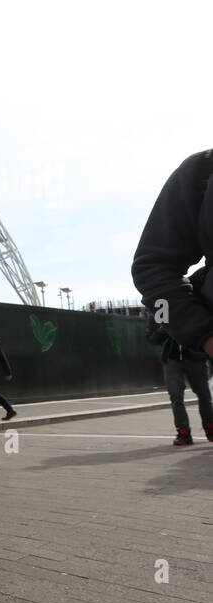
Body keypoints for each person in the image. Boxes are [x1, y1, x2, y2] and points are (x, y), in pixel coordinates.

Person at [132, 150, 213, 360]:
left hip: (194, 361)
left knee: (200, 392)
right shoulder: (202, 170)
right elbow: (150, 270)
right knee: (177, 394)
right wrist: (200, 335)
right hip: (176, 359)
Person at [146, 311, 213, 445]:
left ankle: (210, 429)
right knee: (176, 395)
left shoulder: (190, 306)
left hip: (196, 358)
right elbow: (151, 338)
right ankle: (183, 432)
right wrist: (161, 331)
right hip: (172, 359)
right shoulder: (157, 312)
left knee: (204, 395)